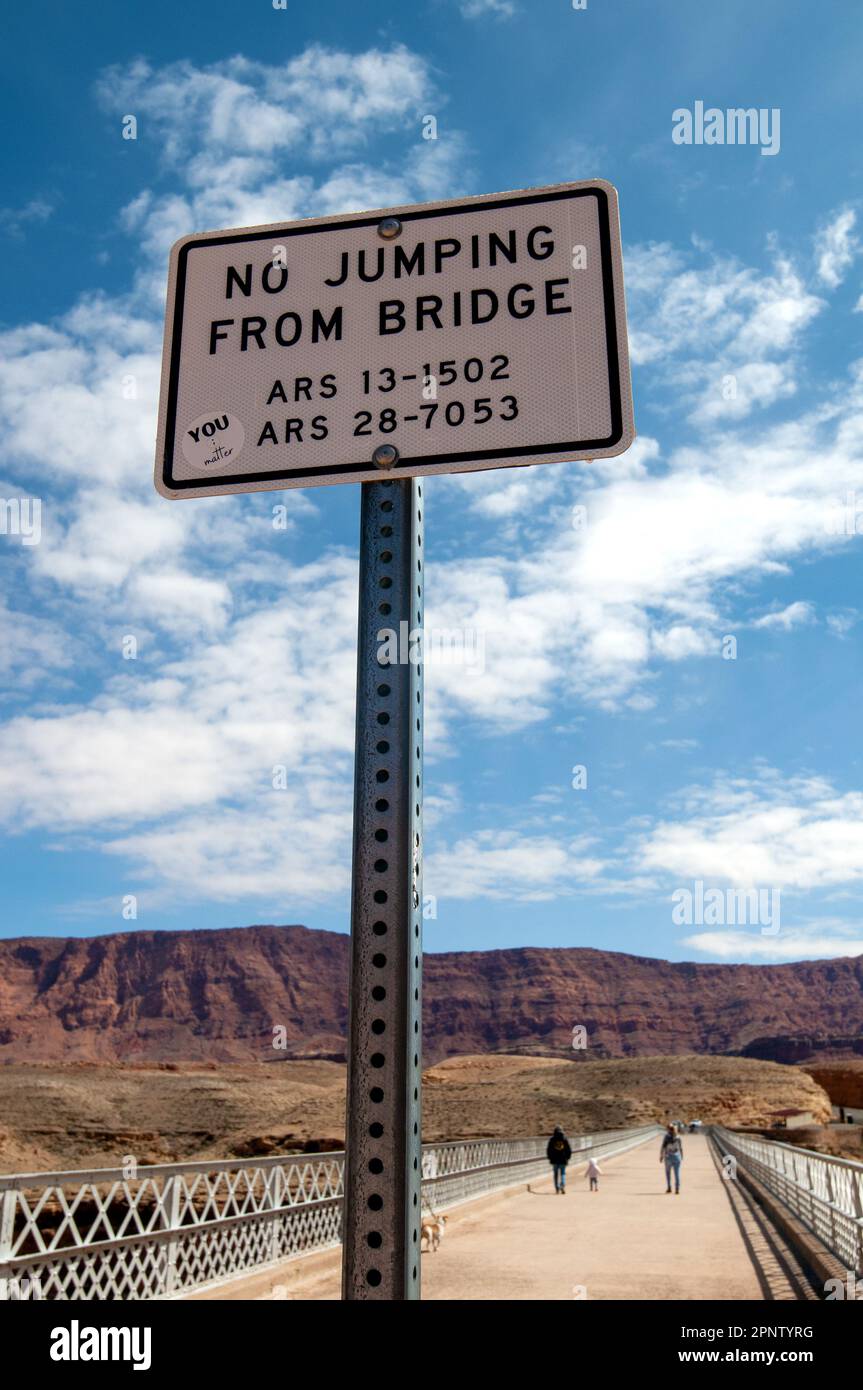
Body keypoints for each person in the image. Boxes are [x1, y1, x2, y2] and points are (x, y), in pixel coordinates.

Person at [546, 1125, 572, 1194]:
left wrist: (549, 1157)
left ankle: (557, 1188)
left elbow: (548, 1150)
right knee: (563, 1173)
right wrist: (568, 1157)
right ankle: (562, 1185)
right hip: (563, 1159)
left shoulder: (552, 1139)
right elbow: (568, 1149)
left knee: (555, 1174)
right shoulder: (564, 1139)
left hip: (554, 1160)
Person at [660, 1124, 683, 1193]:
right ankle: (677, 1188)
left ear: (668, 1129)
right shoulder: (678, 1137)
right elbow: (681, 1148)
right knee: (677, 1173)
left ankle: (669, 1187)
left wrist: (661, 1156)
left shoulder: (666, 1137)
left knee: (668, 1173)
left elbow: (663, 1147)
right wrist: (681, 1156)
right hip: (677, 1157)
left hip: (668, 1157)